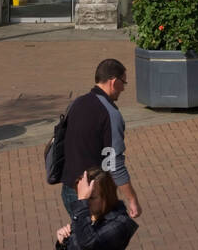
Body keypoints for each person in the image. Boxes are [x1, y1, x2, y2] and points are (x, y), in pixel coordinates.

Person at [61, 59, 142, 220]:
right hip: (93, 195)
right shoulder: (110, 114)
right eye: (123, 82)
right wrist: (132, 199)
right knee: (99, 242)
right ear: (114, 82)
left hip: (69, 189)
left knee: (83, 240)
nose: (124, 88)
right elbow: (115, 164)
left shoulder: (77, 103)